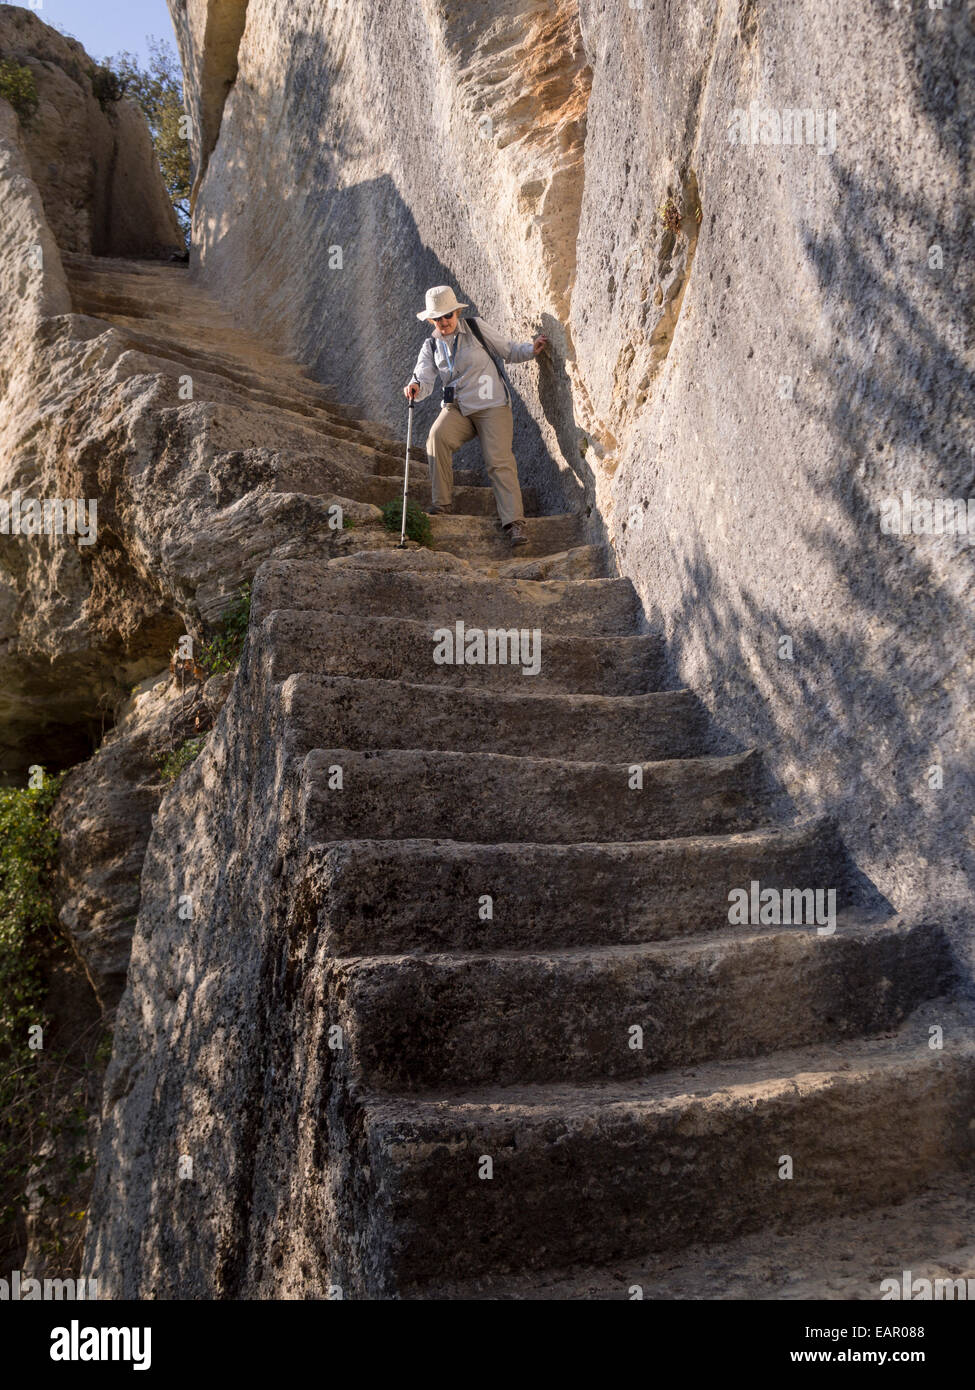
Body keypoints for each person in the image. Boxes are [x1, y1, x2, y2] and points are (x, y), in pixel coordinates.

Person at [404, 286, 548, 546]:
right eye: (438, 318)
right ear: (430, 321)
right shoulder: (431, 345)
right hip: (458, 407)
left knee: (498, 460)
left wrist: (531, 349)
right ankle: (442, 505)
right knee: (436, 438)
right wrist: (415, 387)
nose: (444, 322)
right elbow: (423, 378)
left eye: (448, 315)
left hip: (491, 404)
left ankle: (514, 523)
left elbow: (508, 349)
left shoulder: (475, 327)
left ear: (457, 312)